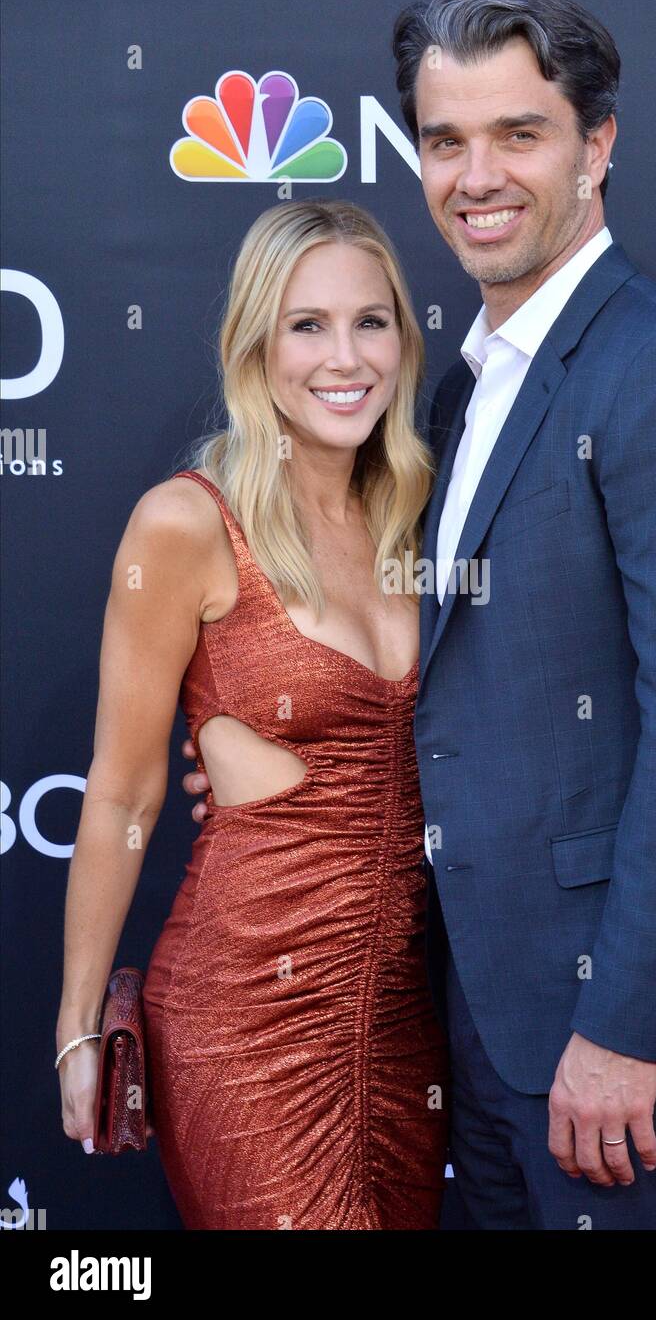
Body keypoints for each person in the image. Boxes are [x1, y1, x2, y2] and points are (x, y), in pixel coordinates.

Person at [185, 0, 656, 1231]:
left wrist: (623, 1026)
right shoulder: (458, 397)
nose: (475, 175)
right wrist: (283, 755)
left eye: (517, 134)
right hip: (472, 1011)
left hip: (613, 1036)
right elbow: (460, 686)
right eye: (443, 140)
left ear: (597, 144)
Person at [56, 200, 449, 1230]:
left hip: (407, 1028)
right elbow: (127, 790)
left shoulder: (428, 510)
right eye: (306, 325)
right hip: (248, 1022)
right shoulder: (186, 523)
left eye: (372, 321)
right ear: (253, 345)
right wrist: (77, 1025)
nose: (345, 356)